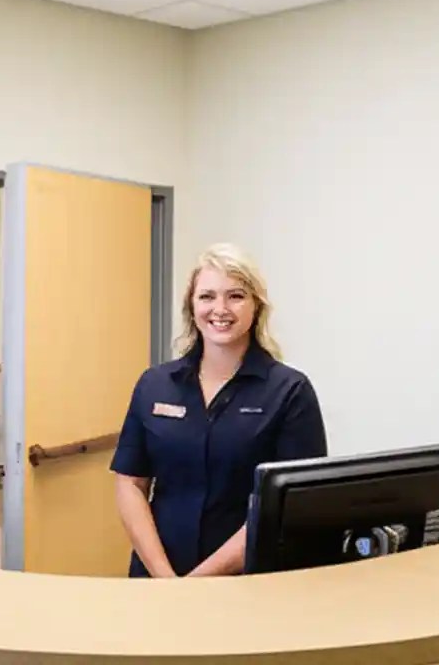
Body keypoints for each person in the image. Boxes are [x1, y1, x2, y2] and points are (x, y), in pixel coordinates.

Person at [109, 243, 327, 578]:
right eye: (207, 296)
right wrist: (165, 577)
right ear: (191, 306)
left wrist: (198, 582)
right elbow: (131, 483)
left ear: (256, 306)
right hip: (157, 579)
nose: (220, 309)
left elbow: (286, 505)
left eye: (236, 296)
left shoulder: (289, 392)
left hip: (247, 580)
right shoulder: (155, 384)